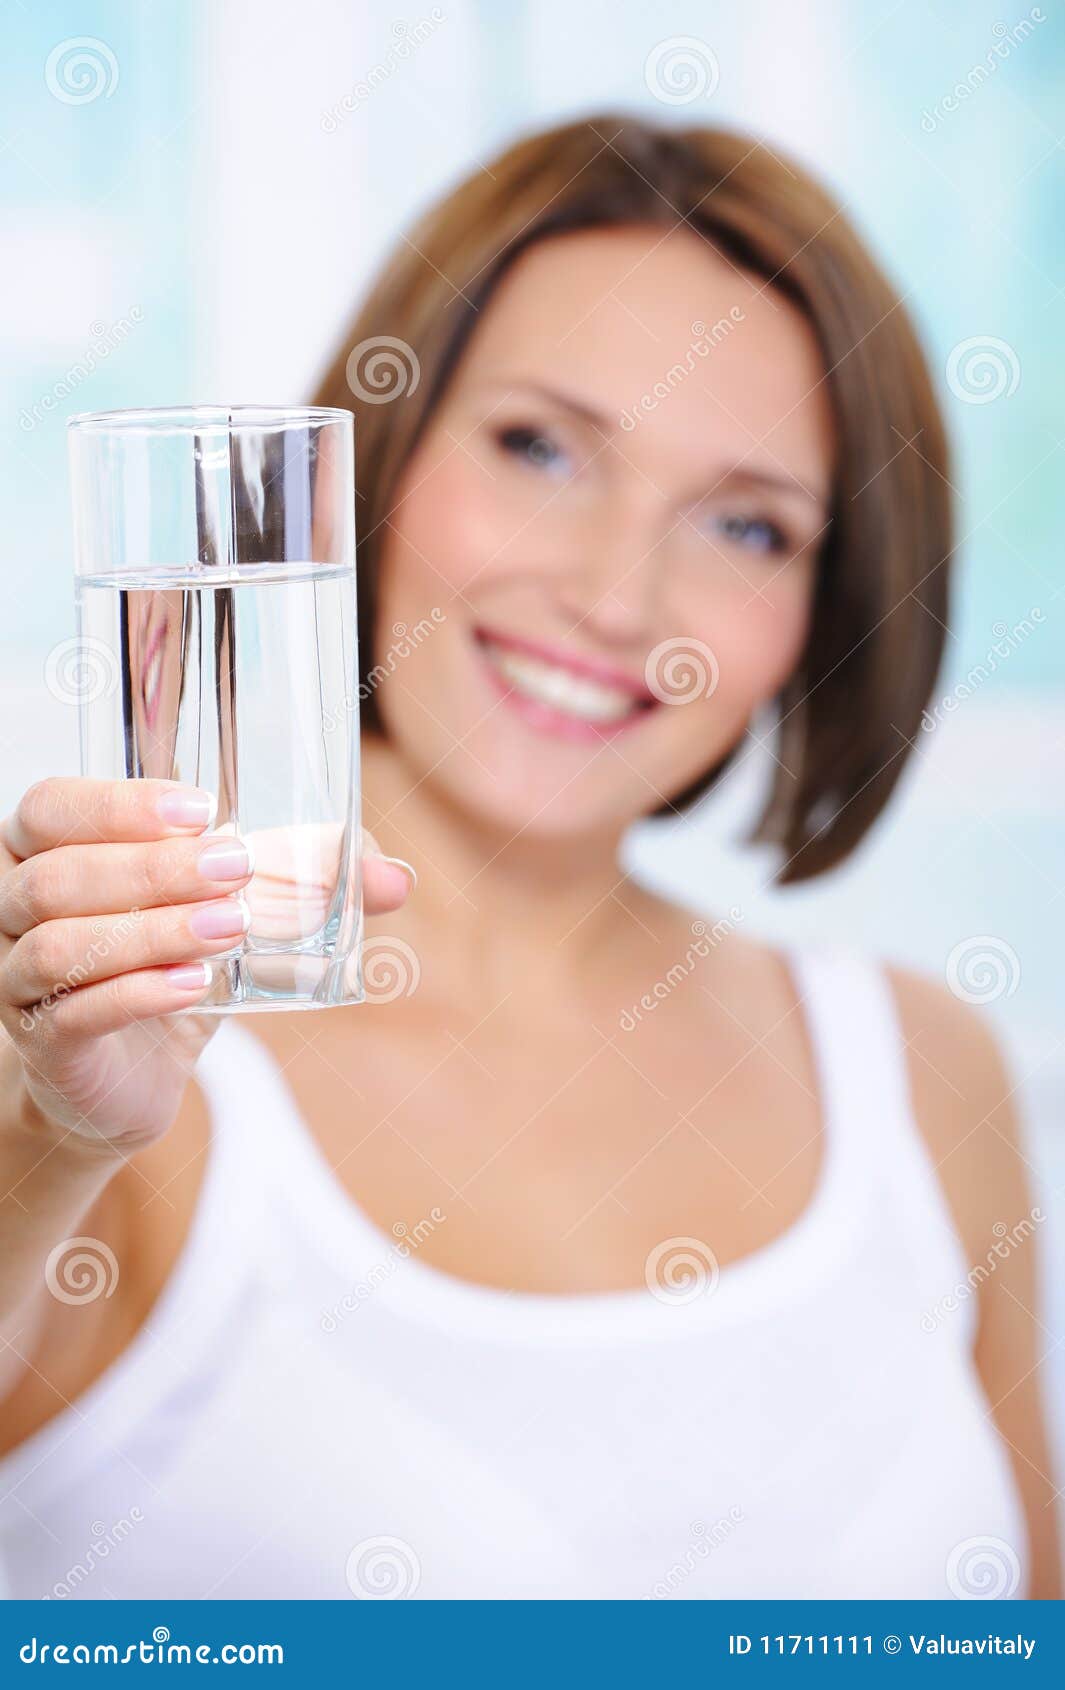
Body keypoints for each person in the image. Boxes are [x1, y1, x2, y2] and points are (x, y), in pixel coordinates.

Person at [0, 114, 1058, 1600]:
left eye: (747, 527)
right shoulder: (85, 1047)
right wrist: (49, 1137)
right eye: (540, 448)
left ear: (826, 609)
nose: (616, 597)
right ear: (376, 460)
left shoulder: (922, 1069)